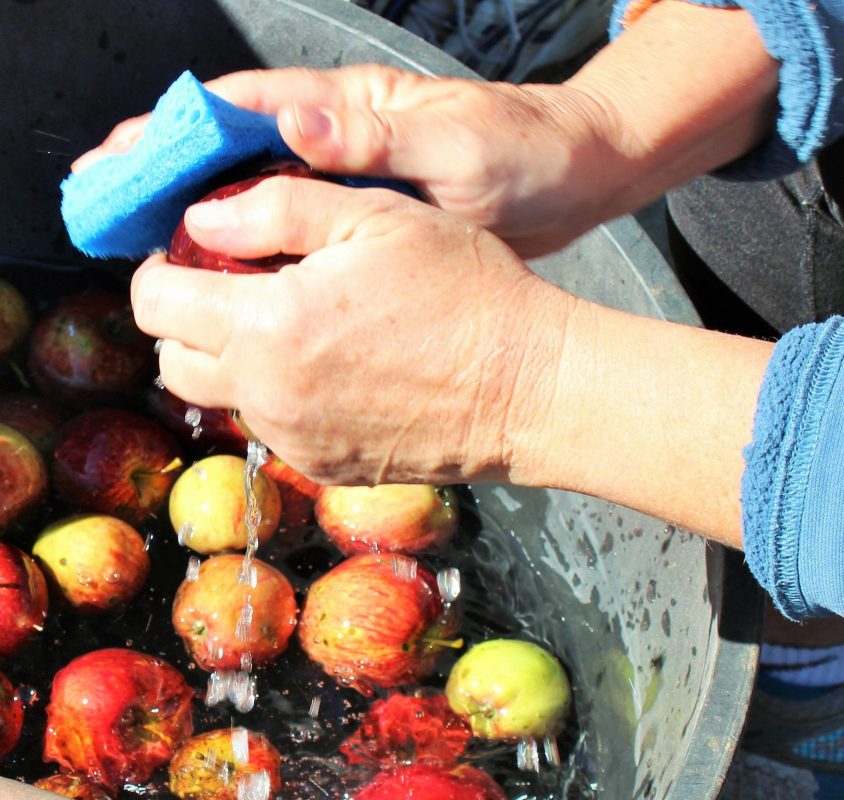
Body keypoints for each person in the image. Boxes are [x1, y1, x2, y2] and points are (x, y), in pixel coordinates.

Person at [73, 0, 844, 795]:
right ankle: (803, 654)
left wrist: (516, 383)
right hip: (791, 194)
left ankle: (806, 676)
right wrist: (597, 125)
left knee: (790, 594)